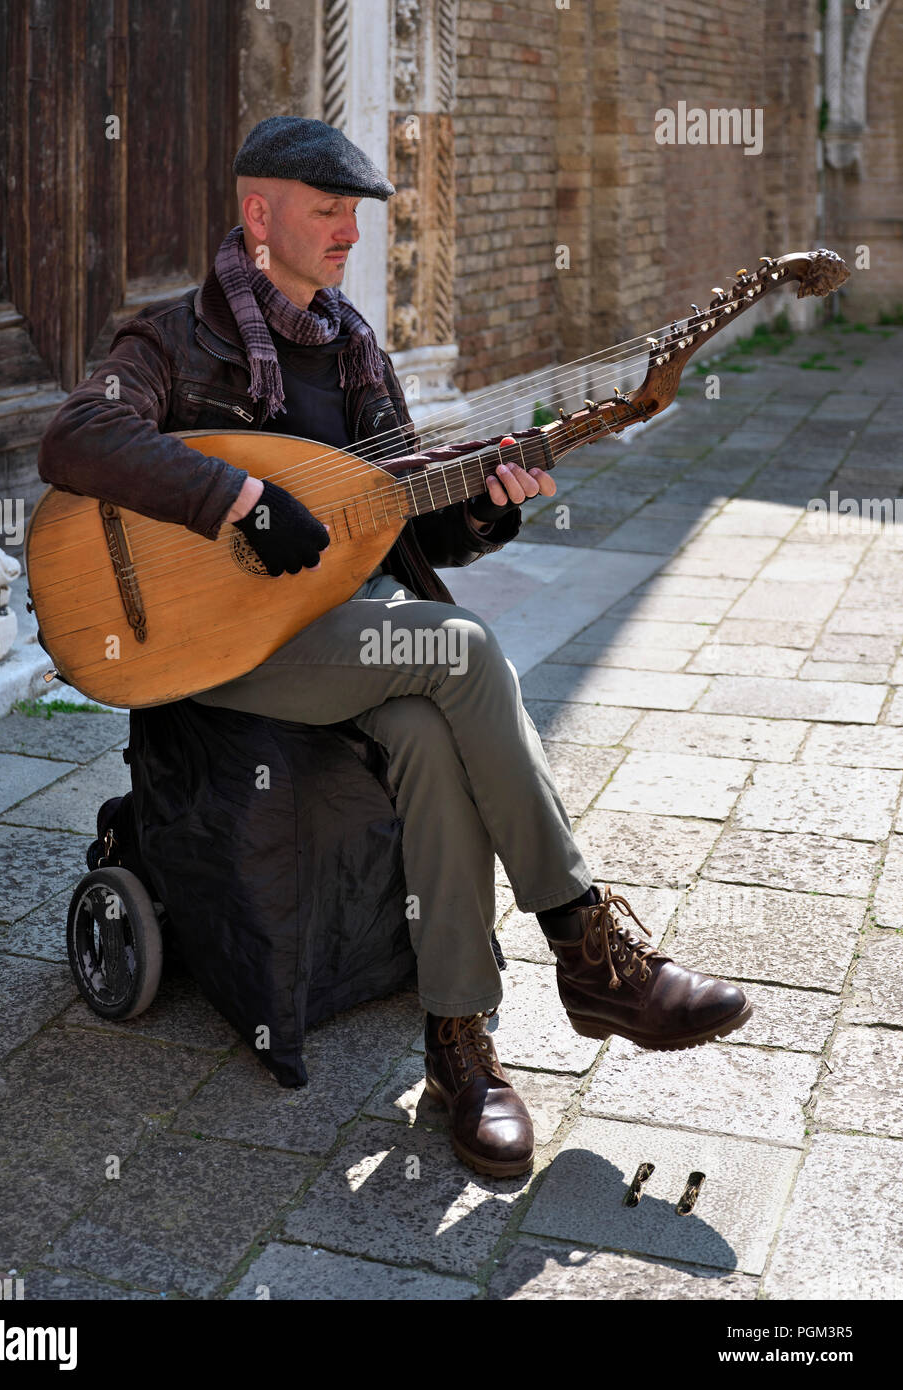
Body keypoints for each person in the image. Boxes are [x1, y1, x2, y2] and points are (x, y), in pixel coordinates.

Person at [38, 115, 752, 1181]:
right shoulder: (173, 339)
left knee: (426, 725)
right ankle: (588, 943)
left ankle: (460, 1049)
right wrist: (235, 495)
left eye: (357, 216)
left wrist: (490, 501)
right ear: (258, 213)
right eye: (327, 212)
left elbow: (403, 519)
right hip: (216, 648)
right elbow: (77, 438)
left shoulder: (355, 351)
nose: (348, 236)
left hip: (348, 636)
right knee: (459, 654)